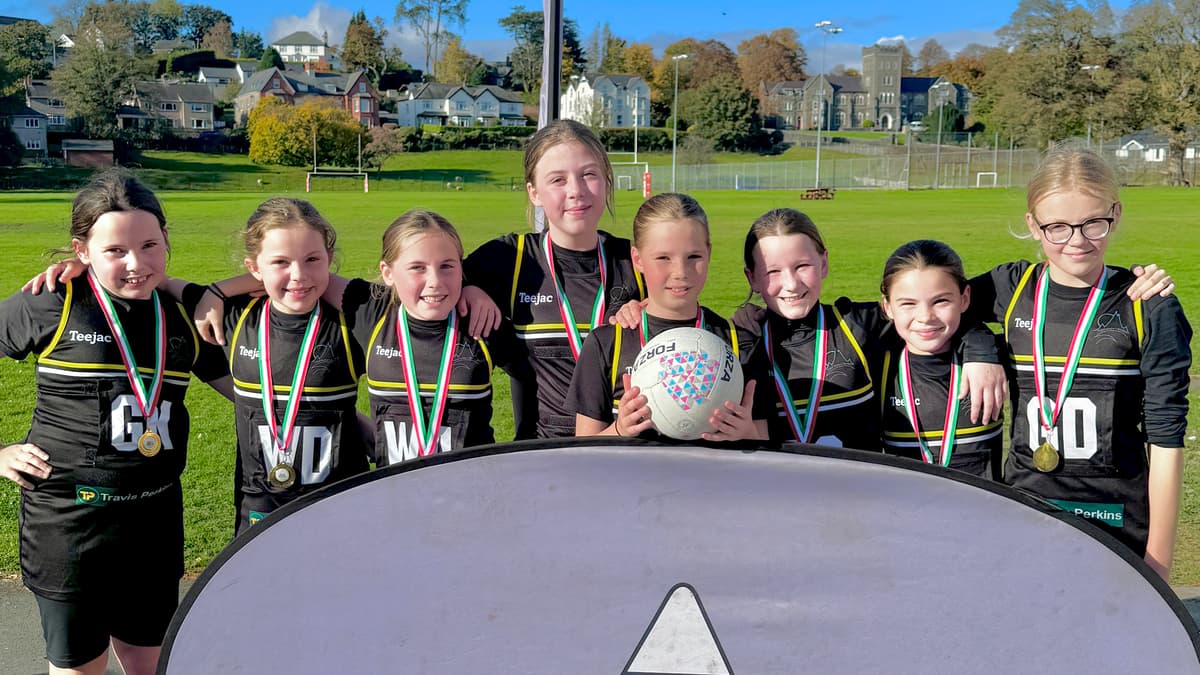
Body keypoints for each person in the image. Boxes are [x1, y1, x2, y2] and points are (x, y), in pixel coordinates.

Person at [0, 171, 230, 675]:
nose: (135, 264)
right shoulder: (54, 300)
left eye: (149, 246)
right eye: (114, 251)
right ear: (82, 251)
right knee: (80, 668)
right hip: (69, 526)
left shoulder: (185, 317)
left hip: (152, 525)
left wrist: (206, 290)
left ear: (166, 239)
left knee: (151, 664)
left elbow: (254, 394)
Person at [966, 147, 1190, 579]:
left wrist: (1158, 563)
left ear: (1115, 214)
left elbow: (1166, 437)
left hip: (1116, 522)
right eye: (1057, 227)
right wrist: (980, 348)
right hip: (1026, 511)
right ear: (1033, 225)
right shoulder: (1009, 287)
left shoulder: (1148, 305)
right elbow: (932, 312)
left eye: (1093, 223)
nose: (1077, 240)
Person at [733, 208, 1007, 450]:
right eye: (773, 272)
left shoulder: (857, 324)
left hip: (865, 493)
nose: (792, 284)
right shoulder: (742, 343)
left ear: (824, 263)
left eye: (802, 266)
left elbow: (933, 315)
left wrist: (980, 351)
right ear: (752, 277)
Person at [182, 198, 371, 534]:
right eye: (280, 262)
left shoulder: (352, 323)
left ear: (329, 259)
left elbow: (403, 301)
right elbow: (158, 283)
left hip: (340, 507)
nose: (298, 275)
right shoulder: (235, 316)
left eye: (312, 259)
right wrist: (217, 291)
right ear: (254, 268)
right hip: (258, 513)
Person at [462, 119, 644, 439]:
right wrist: (468, 288)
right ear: (534, 193)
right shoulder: (512, 258)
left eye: (589, 174)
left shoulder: (638, 262)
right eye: (558, 179)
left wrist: (656, 311)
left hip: (625, 452)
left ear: (607, 181)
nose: (576, 191)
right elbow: (428, 283)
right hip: (539, 456)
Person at [336, 209, 529, 464]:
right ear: (388, 273)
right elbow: (306, 281)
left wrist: (526, 438)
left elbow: (535, 375)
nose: (435, 281)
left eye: (447, 266)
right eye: (417, 268)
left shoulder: (480, 321)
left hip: (473, 487)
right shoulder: (371, 313)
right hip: (393, 488)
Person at [567, 193, 757, 440]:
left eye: (694, 257)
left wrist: (748, 434)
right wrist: (619, 429)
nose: (680, 272)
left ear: (708, 253)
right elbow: (583, 447)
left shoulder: (738, 343)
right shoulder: (606, 344)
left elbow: (764, 447)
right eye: (663, 258)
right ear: (637, 259)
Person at [877, 240, 1003, 478]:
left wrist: (984, 349)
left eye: (941, 301)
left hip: (983, 503)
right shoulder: (875, 365)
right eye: (908, 304)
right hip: (902, 503)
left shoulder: (994, 362)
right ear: (888, 307)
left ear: (964, 298)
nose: (925, 317)